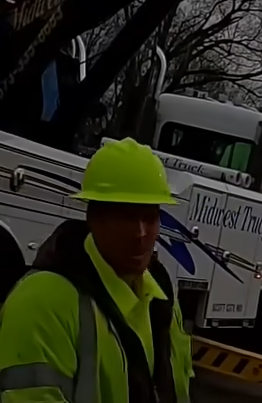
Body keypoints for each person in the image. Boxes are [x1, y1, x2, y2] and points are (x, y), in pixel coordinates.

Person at [0, 138, 193, 403]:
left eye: (150, 217)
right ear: (93, 218)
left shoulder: (161, 295)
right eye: (127, 217)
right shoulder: (42, 301)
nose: (141, 233)